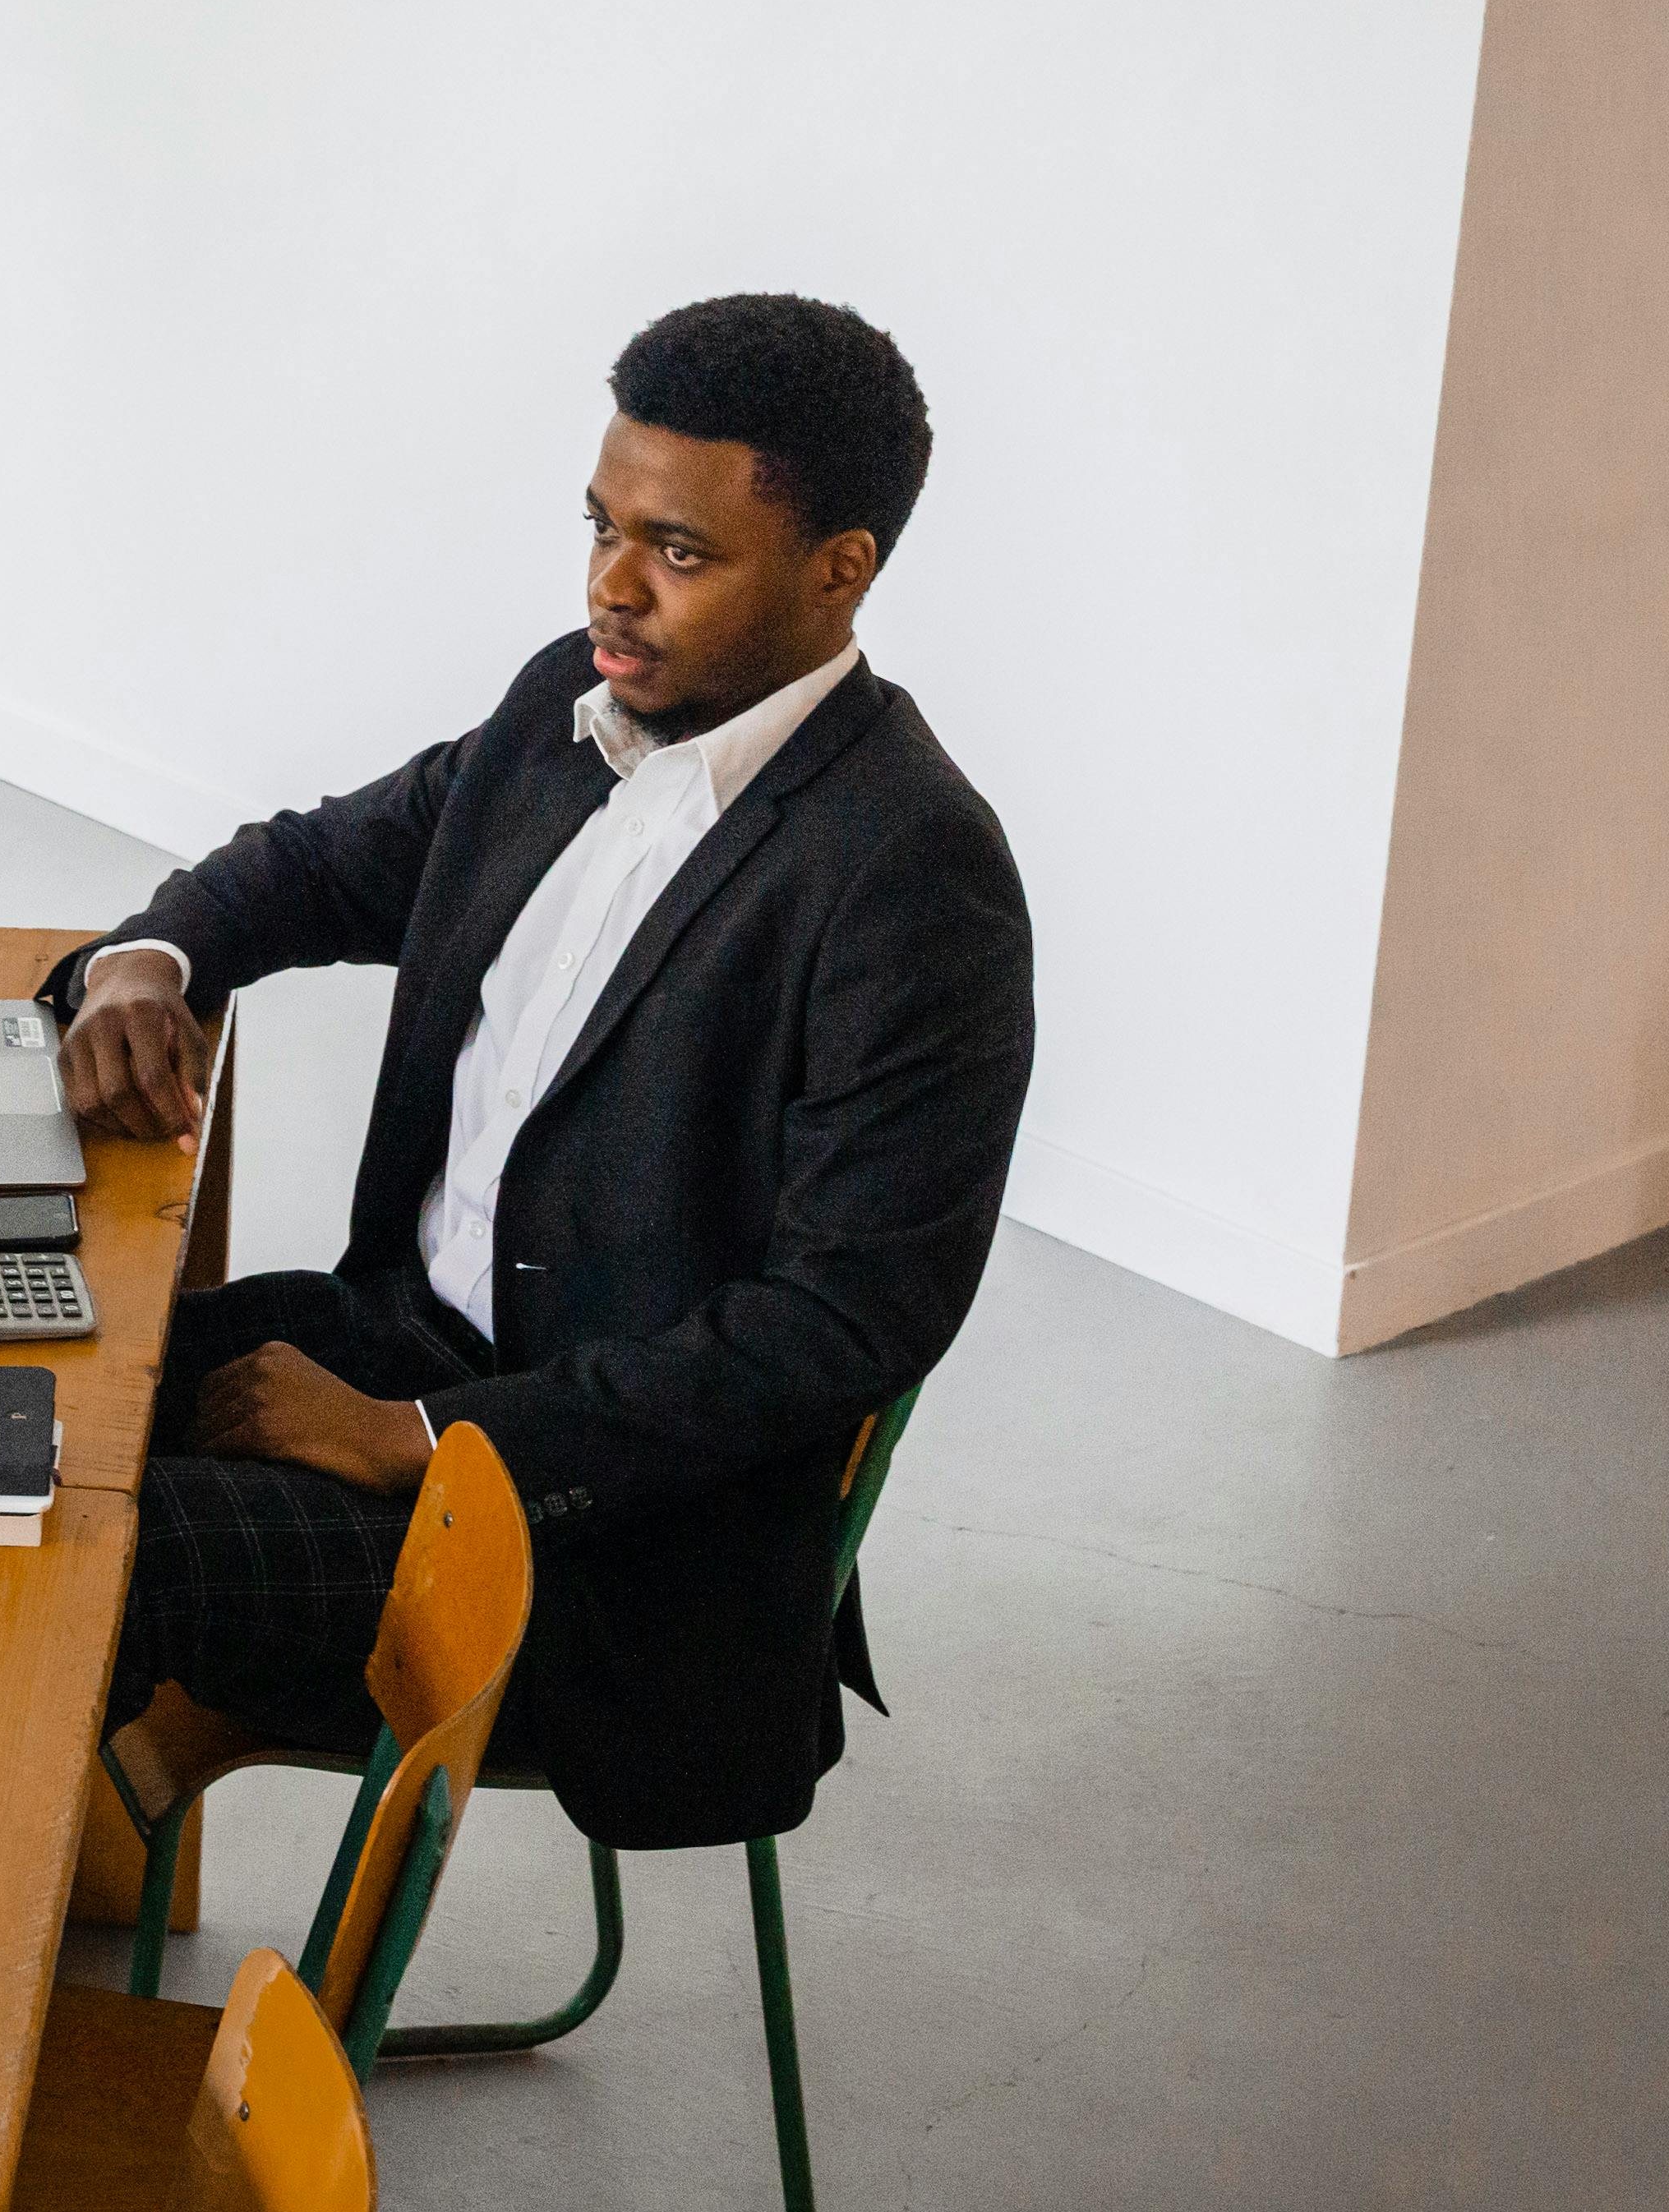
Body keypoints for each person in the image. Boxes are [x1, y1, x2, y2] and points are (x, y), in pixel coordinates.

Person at [53, 294, 1030, 1851]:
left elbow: (843, 1325)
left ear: (841, 567)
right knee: (21, 1397)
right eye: (599, 526)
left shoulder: (910, 876)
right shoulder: (561, 713)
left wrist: (431, 1439)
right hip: (397, 1338)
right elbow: (312, 865)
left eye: (678, 552)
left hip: (603, 1547)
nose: (611, 587)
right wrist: (144, 964)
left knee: (86, 1554)